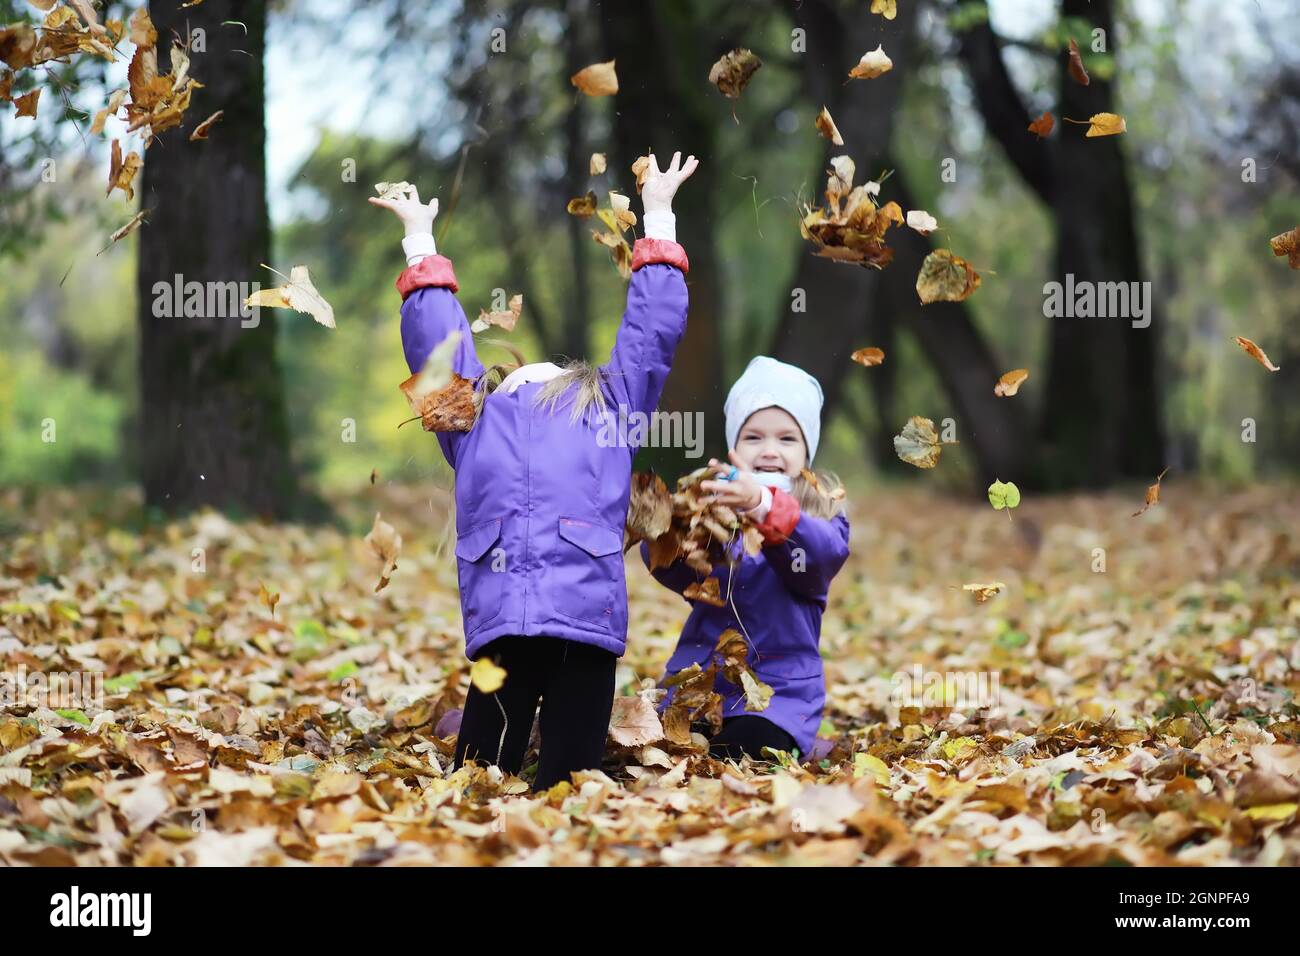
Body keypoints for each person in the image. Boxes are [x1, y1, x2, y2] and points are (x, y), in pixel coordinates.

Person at [371, 151, 698, 789]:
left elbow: (650, 336)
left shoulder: (609, 407)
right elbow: (436, 347)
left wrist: (659, 220)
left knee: (572, 779)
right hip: (503, 635)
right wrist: (419, 244)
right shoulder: (470, 421)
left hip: (584, 632)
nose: (533, 372)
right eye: (517, 375)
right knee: (479, 773)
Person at [641, 356, 850, 761]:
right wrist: (668, 527)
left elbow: (818, 559)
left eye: (787, 439)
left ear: (807, 451)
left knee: (744, 748)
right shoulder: (720, 507)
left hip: (779, 693)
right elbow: (677, 573)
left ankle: (796, 744)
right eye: (754, 438)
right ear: (735, 447)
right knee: (655, 744)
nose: (770, 451)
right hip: (704, 681)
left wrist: (765, 507)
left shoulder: (821, 512)